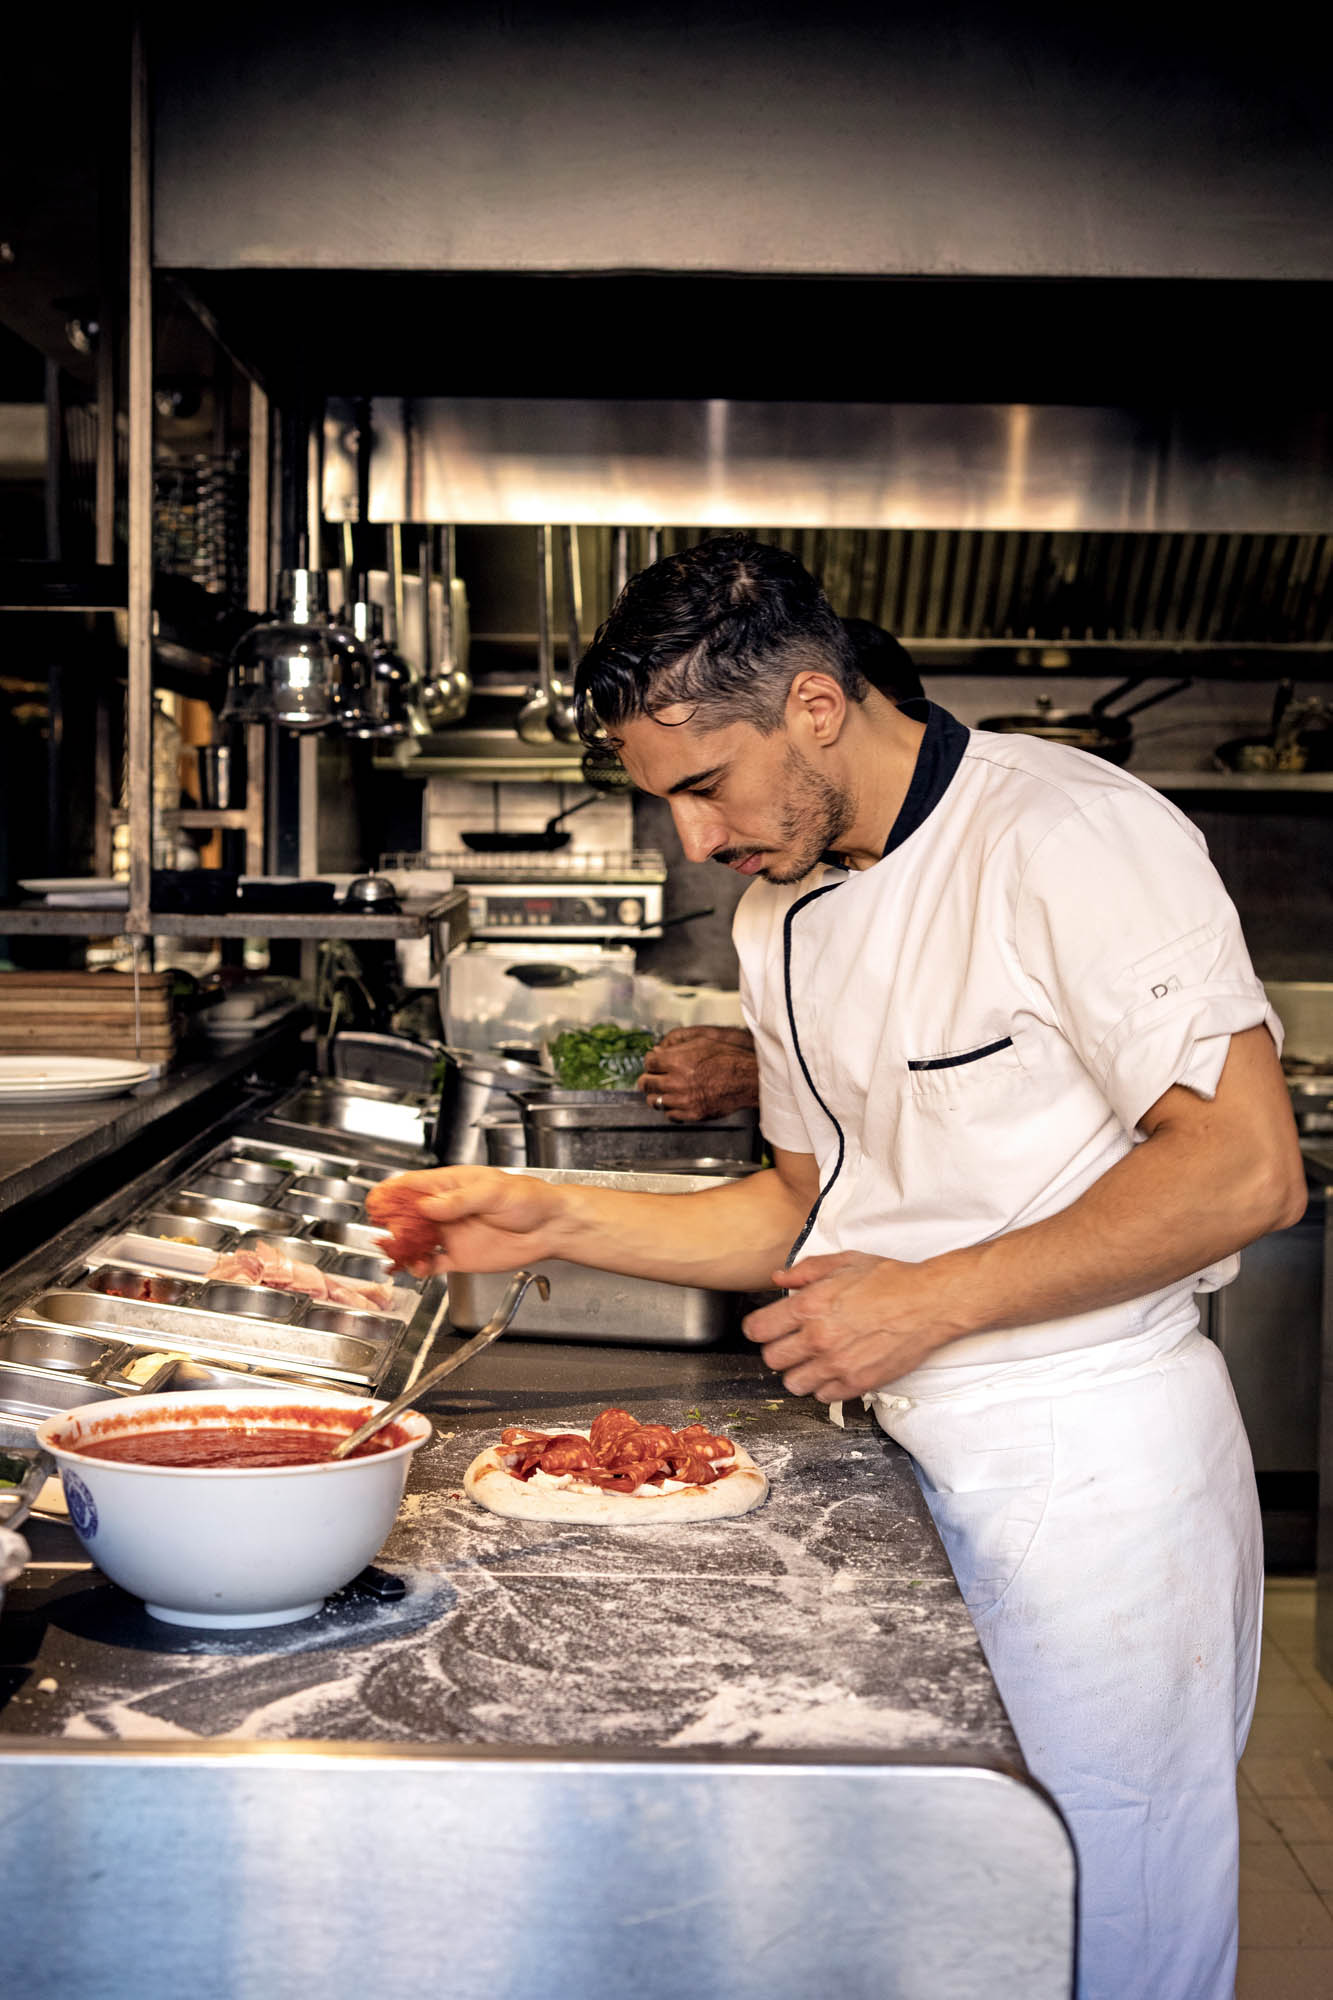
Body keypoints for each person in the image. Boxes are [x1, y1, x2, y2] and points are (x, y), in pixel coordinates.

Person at [388, 536, 1305, 2000]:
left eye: (705, 786)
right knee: (951, 1908)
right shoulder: (780, 910)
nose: (694, 838)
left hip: (1094, 1473)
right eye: (665, 799)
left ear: (814, 705)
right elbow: (802, 1209)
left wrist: (927, 1300)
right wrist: (547, 1214)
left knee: (1099, 1910)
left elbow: (1244, 1166)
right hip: (907, 1459)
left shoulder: (1064, 835)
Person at [639, 615, 923, 1123]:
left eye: (708, 787)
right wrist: (764, 1050)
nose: (697, 847)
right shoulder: (771, 905)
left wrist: (763, 1079)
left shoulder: (1038, 840)